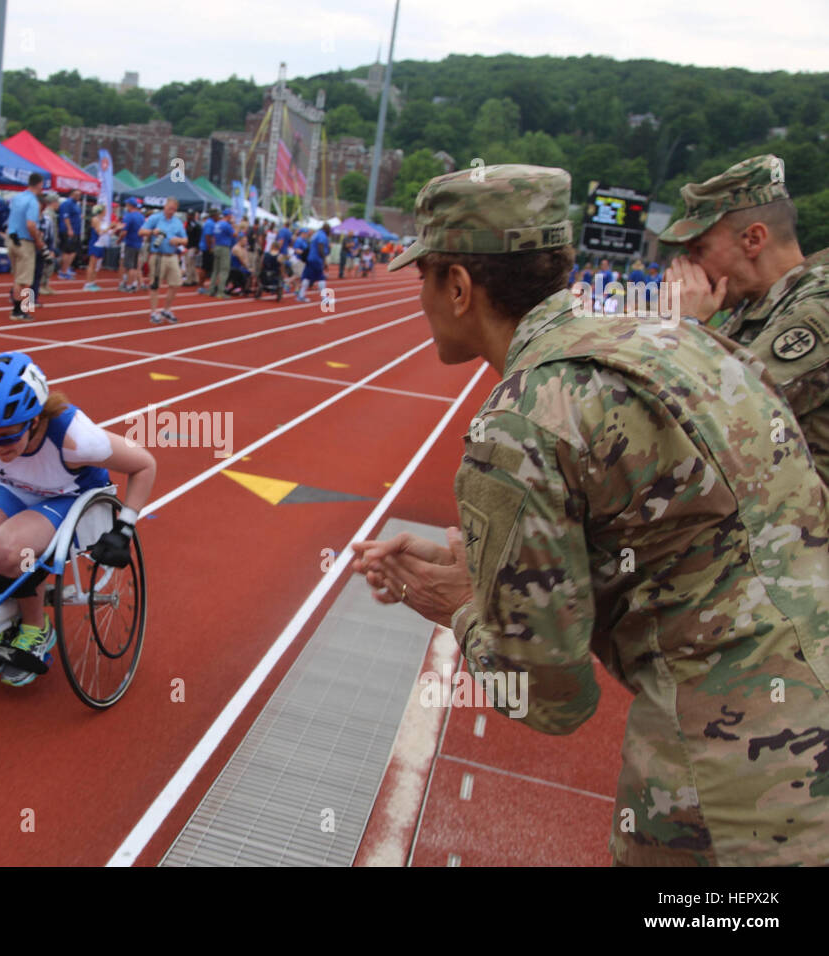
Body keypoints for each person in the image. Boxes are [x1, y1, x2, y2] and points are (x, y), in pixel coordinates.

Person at [352, 163, 829, 866]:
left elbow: (551, 696)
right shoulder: (678, 340)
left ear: (457, 288)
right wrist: (502, 575)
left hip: (733, 785)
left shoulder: (519, 424)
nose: (419, 298)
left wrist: (463, 606)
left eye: (424, 278)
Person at [0, 351, 157, 686]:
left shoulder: (76, 437)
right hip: (15, 487)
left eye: (8, 436)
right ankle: (3, 618)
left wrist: (124, 527)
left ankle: (36, 629)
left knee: (11, 548)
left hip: (67, 495)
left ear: (34, 419)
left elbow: (145, 464)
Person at [660, 154, 829, 487]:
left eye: (699, 250)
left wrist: (684, 329)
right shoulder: (759, 307)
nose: (687, 266)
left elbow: (719, 418)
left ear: (753, 239)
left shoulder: (816, 309)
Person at [5, 172, 46, 321]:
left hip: (12, 239)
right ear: (40, 184)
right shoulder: (33, 202)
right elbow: (30, 224)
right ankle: (20, 310)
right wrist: (38, 240)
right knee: (26, 279)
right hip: (25, 241)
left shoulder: (17, 198)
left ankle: (19, 308)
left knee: (18, 277)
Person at [140, 197, 187, 324]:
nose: (171, 211)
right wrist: (152, 232)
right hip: (158, 255)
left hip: (171, 255)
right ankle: (154, 311)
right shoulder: (155, 218)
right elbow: (141, 231)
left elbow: (185, 240)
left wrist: (178, 240)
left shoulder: (177, 222)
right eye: (170, 208)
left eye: (174, 209)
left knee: (176, 282)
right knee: (155, 284)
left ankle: (166, 309)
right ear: (165, 206)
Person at [297, 223, 330, 302]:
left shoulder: (316, 234)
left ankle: (301, 295)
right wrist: (324, 260)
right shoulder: (322, 236)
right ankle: (324, 298)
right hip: (317, 259)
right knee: (321, 277)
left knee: (307, 277)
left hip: (310, 258)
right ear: (327, 229)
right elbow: (320, 247)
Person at [118, 197, 145, 292]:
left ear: (129, 205)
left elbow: (124, 231)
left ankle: (129, 285)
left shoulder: (128, 216)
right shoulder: (141, 216)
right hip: (138, 243)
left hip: (130, 242)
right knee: (134, 266)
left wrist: (119, 239)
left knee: (129, 266)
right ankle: (132, 284)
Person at [209, 208, 235, 300]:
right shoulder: (226, 225)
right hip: (224, 247)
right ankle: (220, 292)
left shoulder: (217, 224)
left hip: (216, 246)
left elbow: (213, 237)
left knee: (215, 270)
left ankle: (211, 289)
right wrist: (234, 225)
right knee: (224, 270)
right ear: (228, 215)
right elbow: (234, 234)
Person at [57, 188, 83, 279]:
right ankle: (63, 271)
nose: (78, 196)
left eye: (79, 195)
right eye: (76, 194)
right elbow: (66, 217)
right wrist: (69, 229)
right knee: (68, 251)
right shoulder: (67, 203)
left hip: (75, 230)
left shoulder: (76, 204)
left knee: (73, 251)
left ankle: (66, 268)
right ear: (71, 194)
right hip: (68, 231)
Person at [83, 203, 107, 291]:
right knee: (92, 264)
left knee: (97, 265)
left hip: (101, 244)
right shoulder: (95, 219)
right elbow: (99, 232)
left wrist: (115, 228)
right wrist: (110, 227)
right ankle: (88, 283)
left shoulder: (103, 220)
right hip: (95, 243)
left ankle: (92, 282)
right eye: (105, 210)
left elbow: (106, 232)